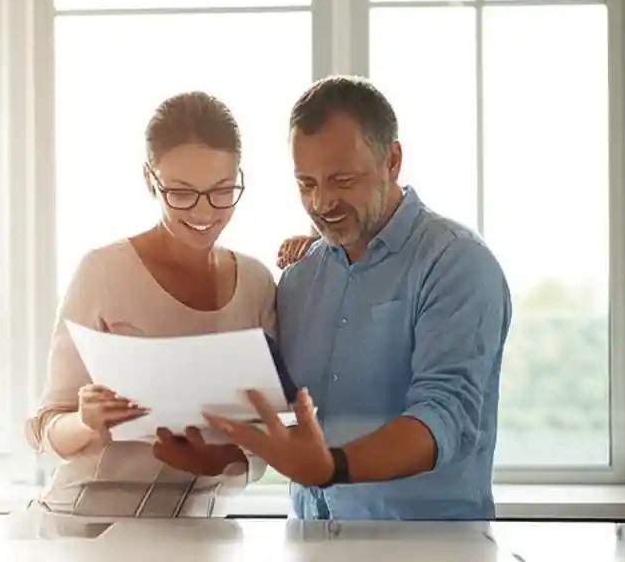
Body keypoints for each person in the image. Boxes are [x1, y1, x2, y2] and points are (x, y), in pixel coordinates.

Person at [157, 75, 512, 521]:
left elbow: (444, 417)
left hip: (429, 547)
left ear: (393, 160)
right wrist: (209, 454)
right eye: (306, 184)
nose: (323, 202)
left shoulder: (456, 263)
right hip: (309, 541)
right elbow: (283, 414)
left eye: (342, 180)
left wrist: (332, 468)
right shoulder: (300, 278)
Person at [23, 90, 314, 520]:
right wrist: (87, 421)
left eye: (222, 190)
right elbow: (45, 429)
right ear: (149, 180)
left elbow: (265, 437)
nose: (204, 211)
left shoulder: (255, 283)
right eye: (180, 192)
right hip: (87, 525)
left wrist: (216, 462)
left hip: (201, 531)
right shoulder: (103, 271)